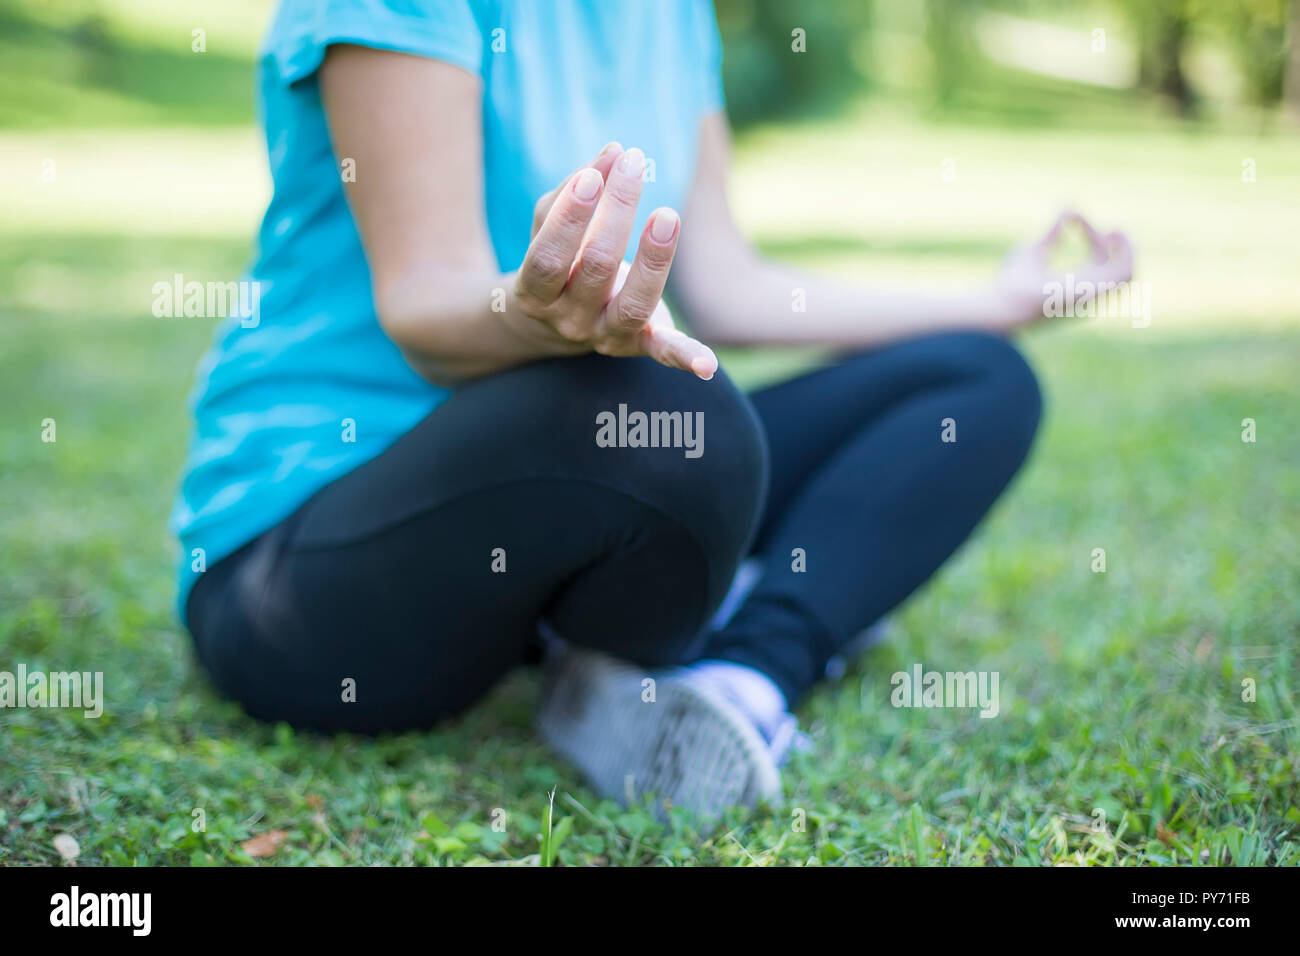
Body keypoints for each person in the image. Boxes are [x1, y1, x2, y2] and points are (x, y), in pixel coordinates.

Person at [173, 0, 1133, 817]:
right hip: (306, 566)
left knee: (975, 380)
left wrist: (993, 305)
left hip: (553, 485)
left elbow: (725, 284)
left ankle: (742, 678)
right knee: (673, 422)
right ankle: (666, 619)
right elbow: (424, 301)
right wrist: (538, 313)